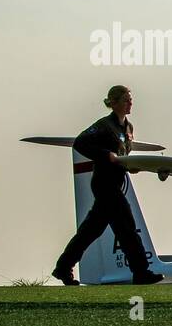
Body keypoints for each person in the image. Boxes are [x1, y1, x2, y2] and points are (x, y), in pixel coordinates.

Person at [52, 86, 162, 285]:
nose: (130, 103)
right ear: (114, 102)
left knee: (91, 231)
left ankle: (63, 267)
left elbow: (122, 156)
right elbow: (80, 143)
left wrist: (130, 166)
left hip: (116, 183)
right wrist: (105, 155)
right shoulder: (103, 126)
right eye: (126, 99)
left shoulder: (128, 128)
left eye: (130, 99)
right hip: (104, 185)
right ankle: (141, 271)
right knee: (127, 226)